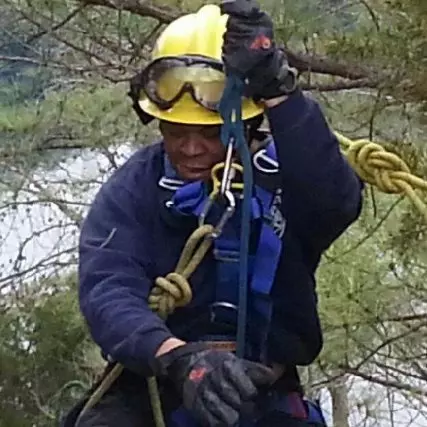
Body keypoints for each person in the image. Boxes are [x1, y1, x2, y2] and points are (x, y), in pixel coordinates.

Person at [68, 1, 364, 426]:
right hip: (159, 379)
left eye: (210, 134)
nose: (190, 148)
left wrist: (279, 91)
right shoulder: (135, 190)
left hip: (262, 387)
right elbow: (108, 289)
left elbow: (335, 204)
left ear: (245, 125)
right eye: (175, 132)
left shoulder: (286, 177)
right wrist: (179, 359)